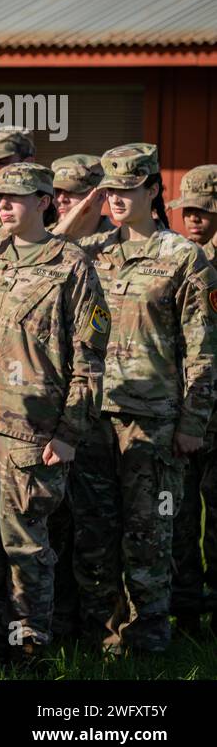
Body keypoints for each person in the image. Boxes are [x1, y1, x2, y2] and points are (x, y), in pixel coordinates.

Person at [0, 163, 109, 658]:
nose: (4, 205)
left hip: (32, 431)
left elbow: (91, 357)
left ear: (45, 201)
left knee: (26, 545)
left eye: (16, 197)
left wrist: (71, 430)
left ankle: (30, 646)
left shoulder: (71, 263)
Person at [54, 143, 217, 654]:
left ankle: (148, 639)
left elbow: (204, 349)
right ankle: (102, 638)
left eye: (128, 189)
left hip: (154, 418)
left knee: (149, 533)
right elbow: (49, 251)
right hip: (94, 415)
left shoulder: (184, 258)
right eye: (110, 191)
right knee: (95, 531)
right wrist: (88, 206)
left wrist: (194, 421)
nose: (117, 199)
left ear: (152, 191)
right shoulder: (92, 251)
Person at [164, 165, 217, 636]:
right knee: (178, 515)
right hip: (177, 407)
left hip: (211, 410)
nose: (194, 218)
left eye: (204, 210)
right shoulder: (174, 258)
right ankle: (183, 608)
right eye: (189, 210)